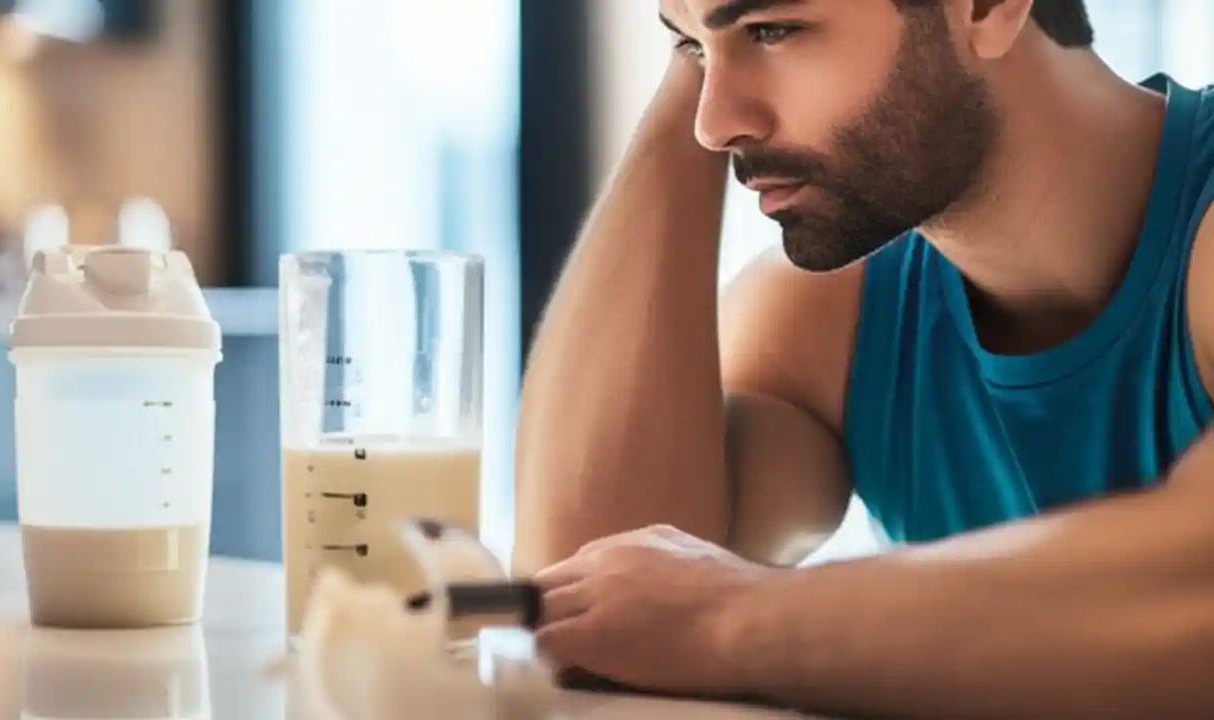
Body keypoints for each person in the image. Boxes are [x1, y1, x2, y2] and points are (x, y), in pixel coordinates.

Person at [513, 0, 1214, 716]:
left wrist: (732, 617)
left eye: (772, 30)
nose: (714, 125)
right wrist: (692, 45)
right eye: (694, 52)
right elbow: (593, 604)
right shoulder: (827, 318)